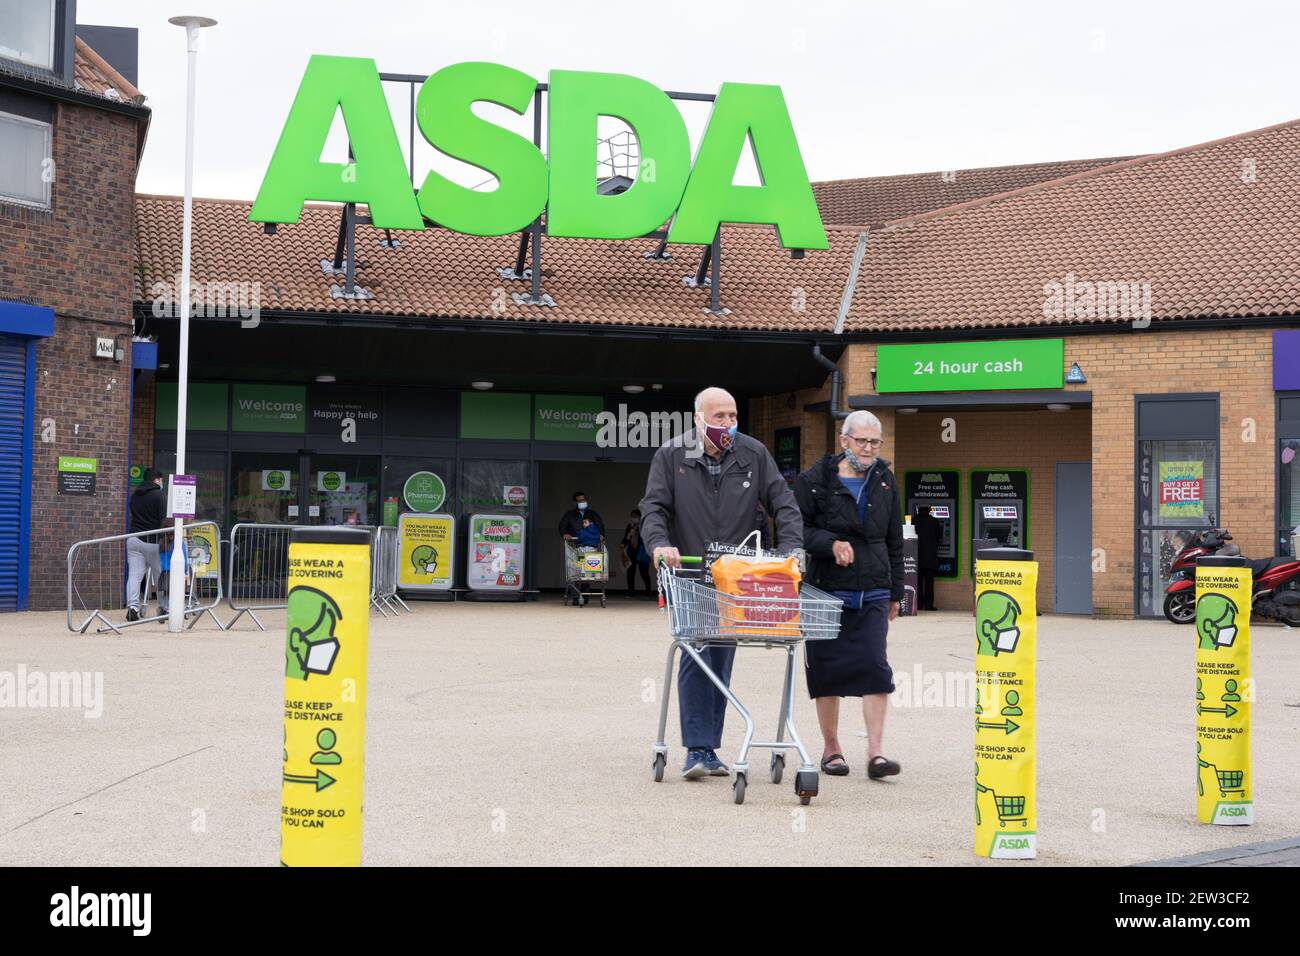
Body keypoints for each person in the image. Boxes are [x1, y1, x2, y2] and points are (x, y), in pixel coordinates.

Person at [640, 386, 803, 779]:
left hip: (736, 576)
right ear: (698, 419)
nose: (728, 423)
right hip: (691, 573)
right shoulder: (672, 456)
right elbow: (654, 508)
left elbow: (783, 502)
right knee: (697, 653)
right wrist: (661, 545)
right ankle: (699, 748)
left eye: (732, 415)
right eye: (719, 417)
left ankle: (706, 747)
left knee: (721, 656)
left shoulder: (753, 454)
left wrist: (794, 548)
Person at [794, 410, 904, 781]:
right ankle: (832, 749)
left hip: (872, 587)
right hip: (826, 591)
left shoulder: (886, 480)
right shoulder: (813, 480)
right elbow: (797, 531)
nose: (869, 448)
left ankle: (876, 753)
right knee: (827, 669)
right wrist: (831, 543)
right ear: (844, 441)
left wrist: (895, 592)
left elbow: (894, 539)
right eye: (862, 441)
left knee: (875, 666)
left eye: (875, 442)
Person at [125, 468, 167, 621]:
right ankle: (164, 608)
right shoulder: (159, 494)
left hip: (134, 538)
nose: (162, 483)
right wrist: (164, 539)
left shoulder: (135, 495)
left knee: (134, 576)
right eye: (161, 480)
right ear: (156, 480)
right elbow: (164, 519)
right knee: (160, 576)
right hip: (153, 541)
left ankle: (133, 608)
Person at [560, 492, 604, 607]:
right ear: (575, 502)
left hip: (590, 547)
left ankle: (584, 596)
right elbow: (562, 525)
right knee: (575, 571)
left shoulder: (592, 513)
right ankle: (576, 596)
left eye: (583, 499)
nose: (582, 502)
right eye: (579, 500)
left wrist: (601, 534)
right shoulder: (570, 514)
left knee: (587, 572)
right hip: (575, 546)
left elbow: (600, 524)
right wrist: (565, 534)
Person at [913, 504, 943, 610]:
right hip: (930, 557)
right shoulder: (934, 521)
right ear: (929, 511)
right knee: (929, 583)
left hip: (917, 556)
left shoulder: (913, 520)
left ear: (918, 510)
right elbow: (940, 536)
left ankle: (919, 605)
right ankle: (929, 605)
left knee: (918, 582)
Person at [621, 509, 653, 598]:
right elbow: (626, 538)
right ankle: (631, 593)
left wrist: (637, 530)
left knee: (644, 573)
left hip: (642, 551)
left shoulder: (644, 526)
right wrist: (623, 543)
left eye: (636, 517)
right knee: (630, 573)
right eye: (632, 517)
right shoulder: (629, 526)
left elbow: (647, 538)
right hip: (632, 551)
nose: (633, 519)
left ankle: (648, 593)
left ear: (640, 517)